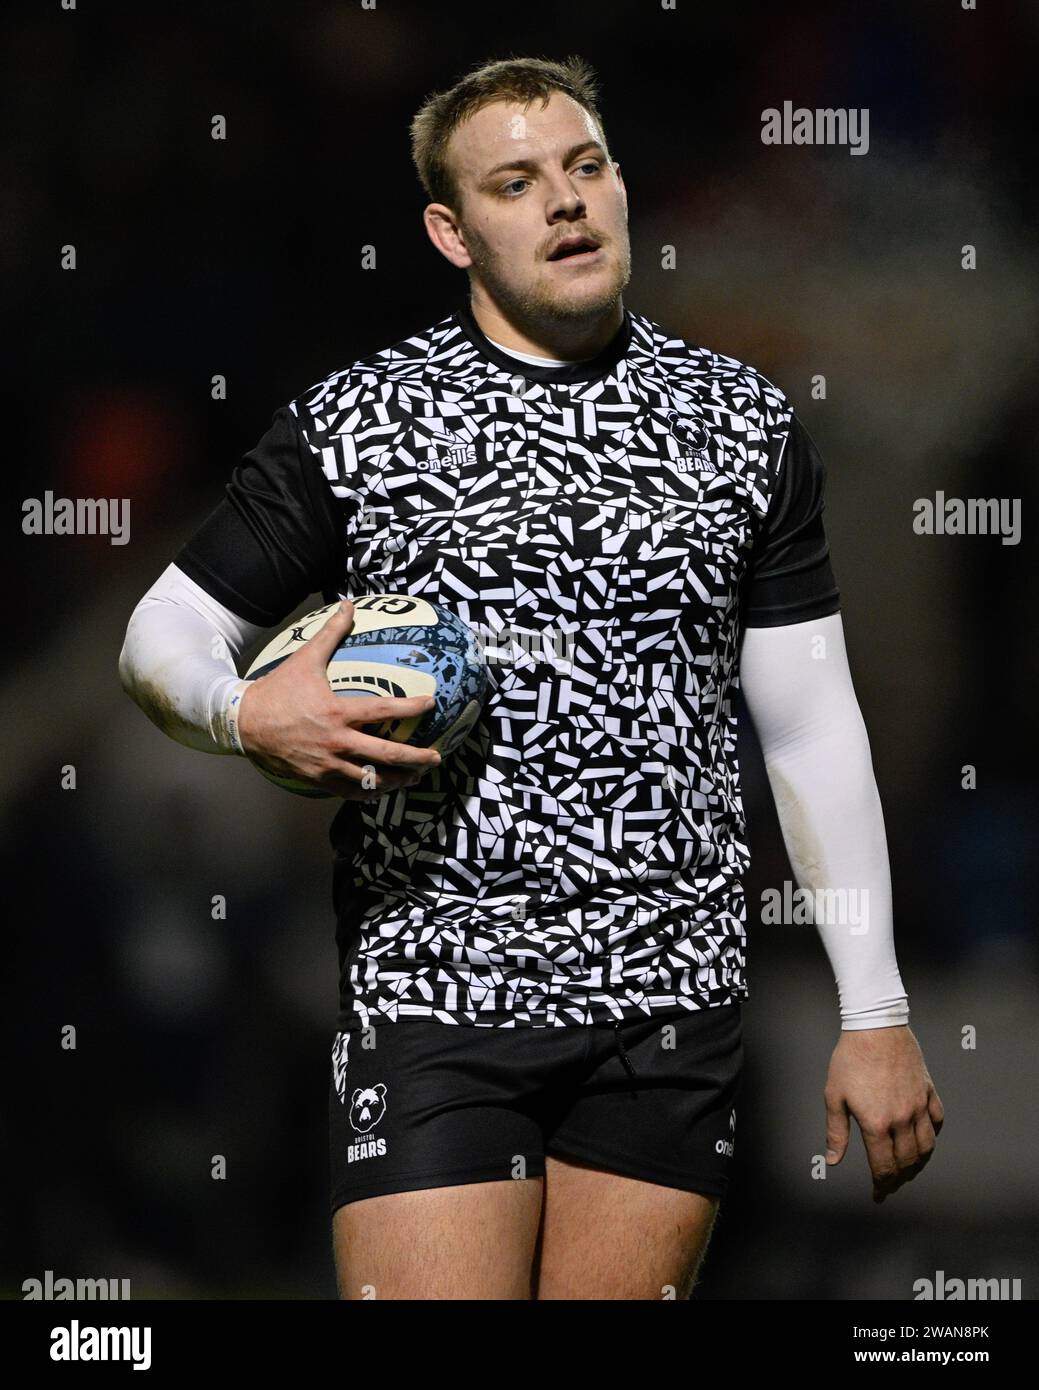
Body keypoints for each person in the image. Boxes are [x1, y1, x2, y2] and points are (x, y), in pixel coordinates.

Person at [118, 55, 944, 1301]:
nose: (565, 201)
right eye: (516, 182)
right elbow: (161, 630)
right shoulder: (362, 420)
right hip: (438, 983)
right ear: (451, 232)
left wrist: (872, 1009)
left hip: (668, 998)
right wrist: (244, 714)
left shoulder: (742, 426)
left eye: (585, 166)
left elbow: (809, 723)